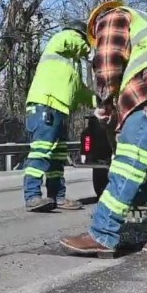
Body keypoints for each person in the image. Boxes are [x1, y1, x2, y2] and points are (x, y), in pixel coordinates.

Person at [59, 1, 147, 256]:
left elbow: (108, 62)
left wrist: (105, 102)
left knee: (126, 167)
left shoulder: (111, 17)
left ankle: (102, 233)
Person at [22, 21, 93, 212]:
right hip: (45, 105)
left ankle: (57, 197)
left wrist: (104, 101)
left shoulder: (72, 66)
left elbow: (81, 93)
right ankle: (32, 196)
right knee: (41, 152)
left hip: (59, 111)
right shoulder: (61, 39)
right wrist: (94, 51)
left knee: (57, 156)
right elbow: (73, 41)